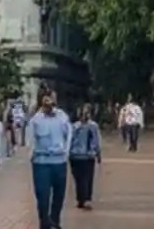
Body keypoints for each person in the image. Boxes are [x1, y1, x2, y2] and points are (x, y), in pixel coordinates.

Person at [28, 92, 73, 229]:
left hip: (59, 162)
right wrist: (31, 154)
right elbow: (30, 140)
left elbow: (69, 134)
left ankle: (55, 220)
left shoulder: (62, 117)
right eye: (46, 101)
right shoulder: (35, 120)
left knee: (59, 195)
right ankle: (44, 222)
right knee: (42, 196)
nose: (49, 104)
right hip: (41, 162)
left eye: (51, 100)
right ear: (42, 102)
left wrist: (66, 151)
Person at [69, 104, 102, 210]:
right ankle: (81, 198)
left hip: (87, 156)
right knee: (79, 178)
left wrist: (97, 153)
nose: (84, 115)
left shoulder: (93, 126)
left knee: (87, 178)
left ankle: (86, 198)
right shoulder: (74, 126)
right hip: (75, 155)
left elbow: (96, 141)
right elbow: (69, 140)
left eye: (86, 113)